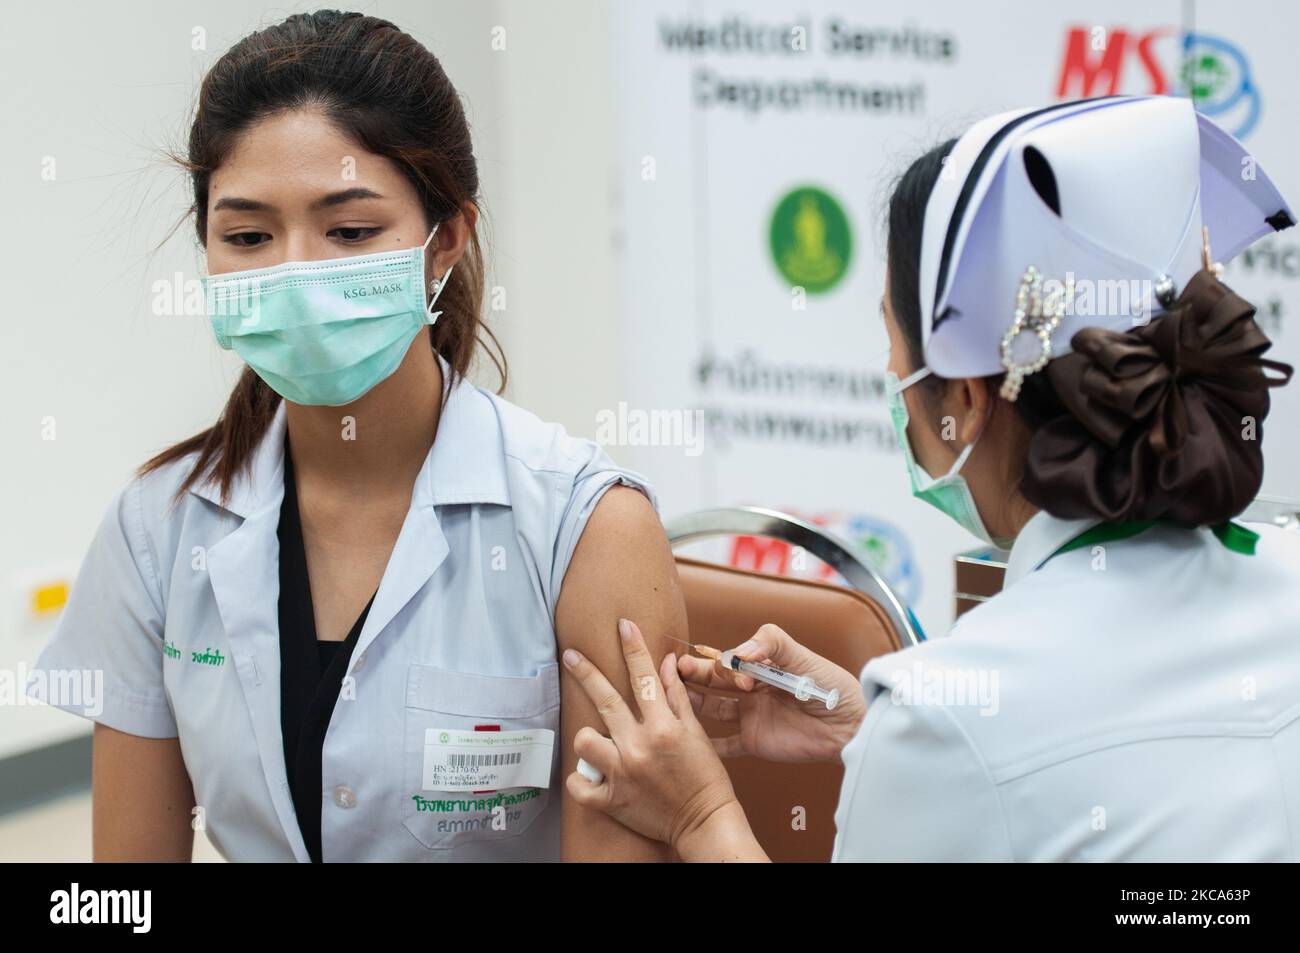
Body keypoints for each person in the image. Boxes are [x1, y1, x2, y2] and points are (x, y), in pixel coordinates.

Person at [562, 95, 1300, 861]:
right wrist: (875, 738)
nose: (890, 376)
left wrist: (700, 814)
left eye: (893, 339)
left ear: (970, 400)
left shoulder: (946, 719)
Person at [27, 10, 686, 862]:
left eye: (350, 231)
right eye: (249, 236)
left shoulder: (585, 528)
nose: (296, 272)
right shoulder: (157, 527)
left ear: (445, 239)